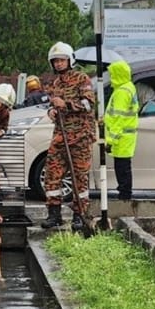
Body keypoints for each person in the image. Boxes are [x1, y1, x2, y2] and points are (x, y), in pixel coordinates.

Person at [41, 41, 97, 231]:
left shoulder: (82, 79)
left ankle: (79, 215)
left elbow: (89, 104)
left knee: (79, 177)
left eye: (62, 60)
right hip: (60, 135)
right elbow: (52, 105)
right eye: (55, 61)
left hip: (80, 136)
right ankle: (54, 214)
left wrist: (66, 104)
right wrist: (52, 111)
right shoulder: (55, 83)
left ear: (70, 60)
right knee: (52, 173)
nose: (58, 64)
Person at [104, 60, 139, 201]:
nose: (110, 76)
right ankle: (124, 192)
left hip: (121, 136)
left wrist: (111, 140)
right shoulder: (128, 87)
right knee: (123, 166)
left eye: (112, 73)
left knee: (122, 167)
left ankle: (124, 195)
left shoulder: (122, 92)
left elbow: (118, 117)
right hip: (126, 135)